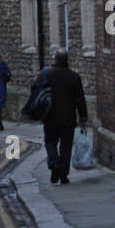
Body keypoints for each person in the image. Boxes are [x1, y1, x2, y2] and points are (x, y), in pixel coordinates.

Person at [41, 48, 87, 185]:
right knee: (66, 146)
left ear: (55, 59)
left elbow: (37, 93)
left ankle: (54, 163)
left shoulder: (46, 75)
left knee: (50, 142)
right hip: (68, 117)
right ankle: (63, 175)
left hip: (50, 116)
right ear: (67, 60)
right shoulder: (73, 77)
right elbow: (80, 99)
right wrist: (83, 117)